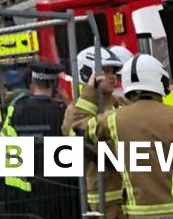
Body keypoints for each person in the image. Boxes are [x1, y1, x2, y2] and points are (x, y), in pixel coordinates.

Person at [81, 54, 173, 219]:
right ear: (161, 81)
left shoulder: (114, 119)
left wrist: (89, 92)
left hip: (138, 213)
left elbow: (76, 128)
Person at [0, 61, 81, 218]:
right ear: (55, 85)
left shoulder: (15, 110)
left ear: (31, 82)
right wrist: (68, 103)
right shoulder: (62, 112)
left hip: (24, 193)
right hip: (62, 196)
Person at [63, 45, 128, 218]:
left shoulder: (120, 102)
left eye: (113, 71)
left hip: (129, 193)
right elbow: (77, 138)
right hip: (104, 198)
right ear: (87, 74)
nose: (112, 76)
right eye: (105, 71)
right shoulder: (75, 110)